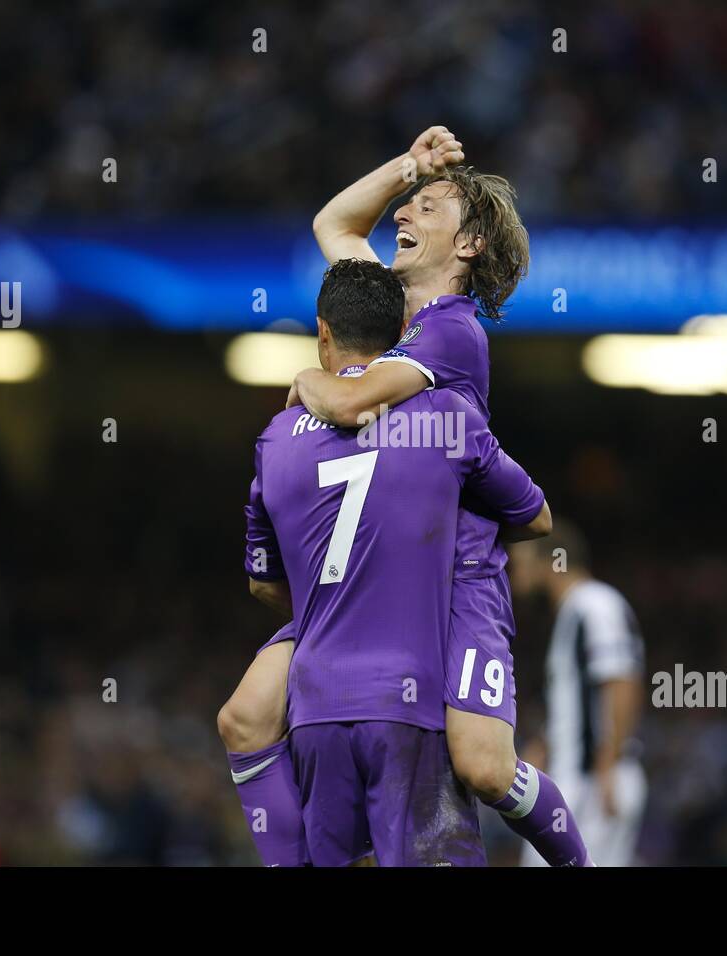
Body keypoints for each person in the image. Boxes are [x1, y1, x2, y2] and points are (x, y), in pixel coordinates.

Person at [220, 126, 591, 867]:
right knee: (247, 713)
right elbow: (334, 224)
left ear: (470, 244)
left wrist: (305, 385)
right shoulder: (389, 309)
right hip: (370, 575)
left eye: (429, 207)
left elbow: (351, 402)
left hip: (455, 585)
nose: (405, 215)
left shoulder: (454, 334)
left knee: (483, 765)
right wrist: (406, 167)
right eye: (408, 205)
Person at [243, 258, 551, 865]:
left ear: (323, 333)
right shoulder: (445, 416)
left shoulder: (275, 438)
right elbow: (535, 516)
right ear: (401, 336)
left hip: (314, 708)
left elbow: (264, 584)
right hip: (408, 705)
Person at [509, 524, 648, 866]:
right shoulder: (571, 612)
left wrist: (607, 766)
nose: (513, 571)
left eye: (520, 561)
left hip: (593, 783)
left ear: (549, 560)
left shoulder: (595, 604)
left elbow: (622, 681)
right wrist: (544, 744)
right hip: (576, 779)